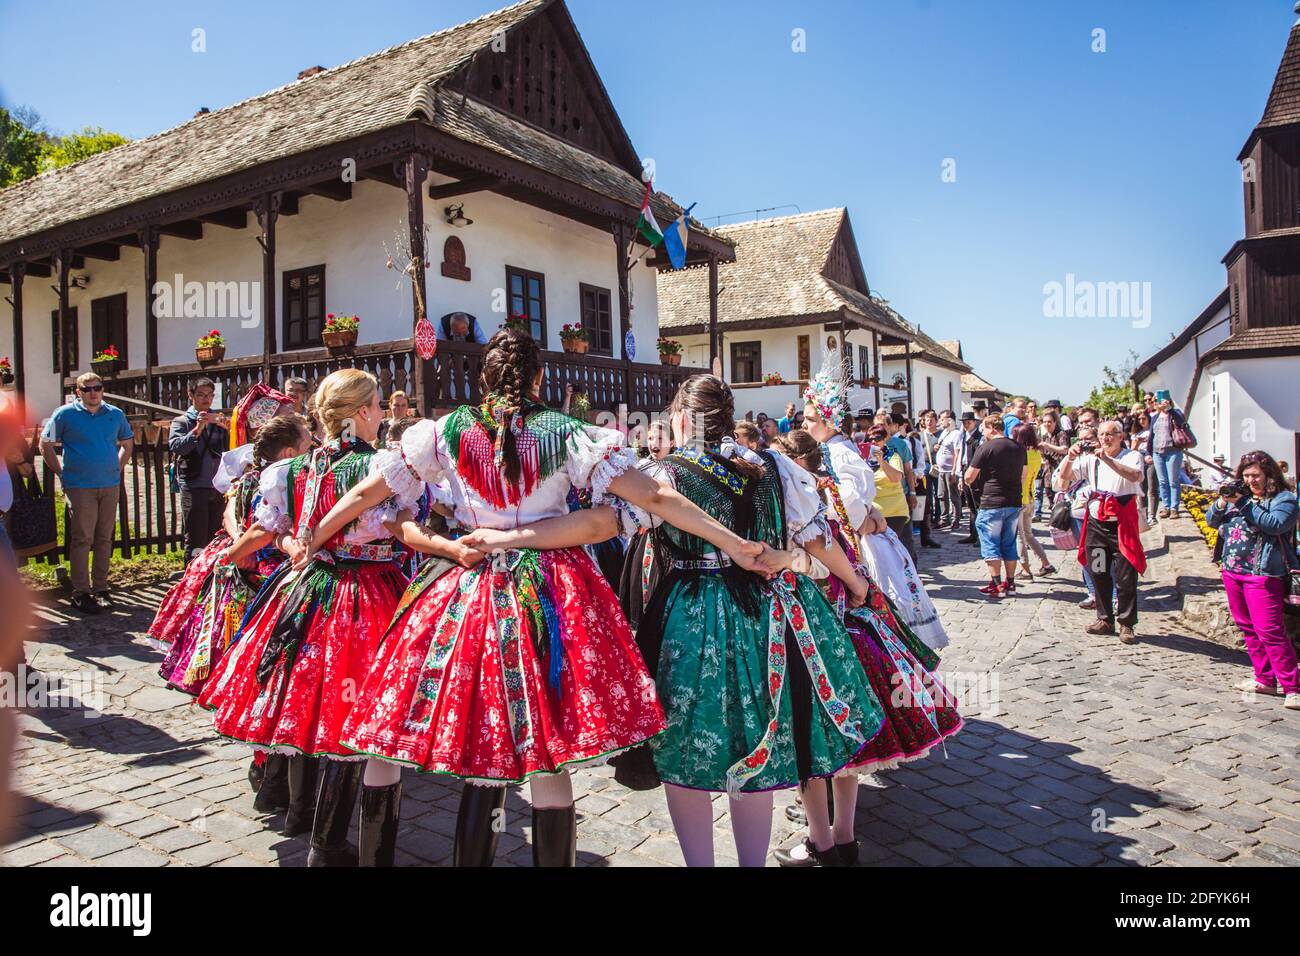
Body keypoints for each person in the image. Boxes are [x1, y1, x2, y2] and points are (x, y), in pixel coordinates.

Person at [309, 337, 776, 868]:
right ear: (536, 381)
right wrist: (734, 543)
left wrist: (313, 533)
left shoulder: (442, 434)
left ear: (484, 381)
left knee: (478, 747)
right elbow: (655, 498)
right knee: (550, 756)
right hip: (552, 589)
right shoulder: (568, 435)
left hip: (468, 585)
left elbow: (366, 493)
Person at [198, 369, 423, 867]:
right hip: (368, 591)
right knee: (359, 719)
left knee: (316, 703)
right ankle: (338, 844)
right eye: (380, 404)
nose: (384, 412)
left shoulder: (293, 470)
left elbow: (267, 530)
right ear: (362, 411)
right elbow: (400, 527)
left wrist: (251, 550)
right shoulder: (385, 466)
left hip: (307, 593)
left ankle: (313, 824)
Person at [1206, 451, 1299, 709]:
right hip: (1233, 570)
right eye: (1246, 476)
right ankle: (1265, 678)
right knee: (1247, 627)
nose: (1250, 481)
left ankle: (1293, 686)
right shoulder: (1238, 499)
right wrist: (1223, 503)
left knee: (1270, 630)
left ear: (1269, 474)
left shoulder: (1284, 499)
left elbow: (1275, 525)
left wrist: (1245, 504)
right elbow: (1211, 520)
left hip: (1263, 573)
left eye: (1255, 475)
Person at [39, 373, 134, 614]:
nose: (93, 392)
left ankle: (101, 588)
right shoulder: (65, 414)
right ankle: (81, 591)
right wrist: (60, 472)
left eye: (97, 388)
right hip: (80, 486)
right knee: (82, 538)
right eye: (87, 389)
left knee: (104, 538)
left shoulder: (115, 414)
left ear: (102, 389)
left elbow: (127, 444)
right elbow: (45, 443)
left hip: (109, 484)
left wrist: (117, 467)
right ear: (78, 392)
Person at [1057, 419, 1147, 642]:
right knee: (1098, 571)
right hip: (1097, 525)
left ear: (1120, 436)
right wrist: (1070, 457)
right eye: (1102, 435)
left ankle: (1126, 623)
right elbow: (1065, 479)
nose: (1106, 439)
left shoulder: (1131, 456)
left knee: (1126, 576)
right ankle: (1104, 618)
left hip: (1122, 523)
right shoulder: (1090, 459)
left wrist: (1107, 459)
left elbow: (1135, 476)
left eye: (1111, 434)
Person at [169, 378, 230, 565]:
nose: (206, 399)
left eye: (210, 395)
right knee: (196, 538)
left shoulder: (217, 419)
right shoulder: (181, 421)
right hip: (194, 485)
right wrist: (197, 429)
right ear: (191, 395)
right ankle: (192, 578)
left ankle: (210, 578)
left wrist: (229, 430)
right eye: (201, 395)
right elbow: (176, 447)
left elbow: (230, 451)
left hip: (218, 487)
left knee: (216, 537)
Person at [965, 414, 1027, 598]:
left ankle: (997, 584)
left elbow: (969, 476)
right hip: (1013, 501)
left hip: (991, 501)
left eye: (984, 428)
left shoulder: (986, 447)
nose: (982, 432)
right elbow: (1023, 475)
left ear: (992, 427)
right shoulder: (1018, 447)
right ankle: (1011, 583)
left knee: (990, 543)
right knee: (1009, 543)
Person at [1012, 422, 1054, 579]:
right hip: (1030, 497)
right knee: (1028, 535)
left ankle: (1025, 569)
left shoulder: (1022, 455)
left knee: (1020, 537)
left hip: (1020, 498)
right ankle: (1045, 563)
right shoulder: (1036, 453)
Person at [1150, 389, 1189, 519]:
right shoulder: (1154, 417)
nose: (1157, 402)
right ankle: (1166, 506)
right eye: (1155, 401)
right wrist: (1148, 452)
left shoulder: (1175, 413)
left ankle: (1174, 508)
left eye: (1159, 400)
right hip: (1158, 452)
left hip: (1172, 451)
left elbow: (1181, 422)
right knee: (1162, 481)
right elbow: (1152, 436)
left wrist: (1170, 409)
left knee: (1173, 481)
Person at [955, 410, 983, 544]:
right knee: (971, 506)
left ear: (974, 423)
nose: (966, 425)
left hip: (975, 472)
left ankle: (980, 536)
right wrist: (960, 477)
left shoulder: (979, 438)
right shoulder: (963, 436)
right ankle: (973, 534)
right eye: (964, 423)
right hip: (966, 469)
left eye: (968, 422)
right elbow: (962, 457)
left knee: (978, 506)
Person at [934, 410, 963, 529]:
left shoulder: (956, 433)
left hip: (950, 469)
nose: (940, 421)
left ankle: (956, 518)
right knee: (942, 495)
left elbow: (957, 453)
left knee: (953, 495)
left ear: (950, 419)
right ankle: (944, 518)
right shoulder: (944, 432)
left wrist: (954, 470)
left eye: (942, 419)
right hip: (941, 469)